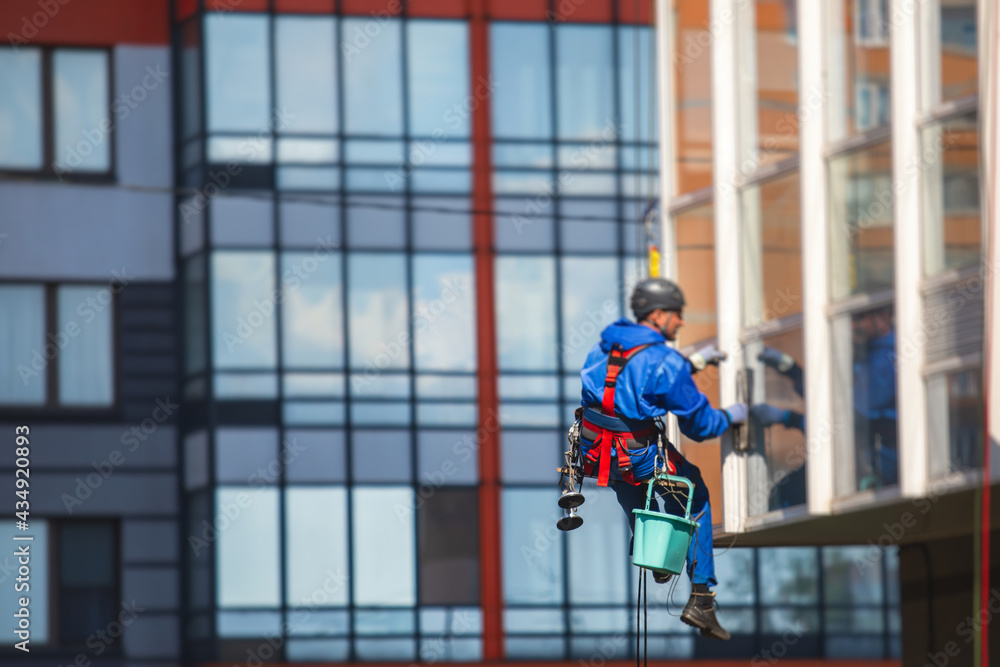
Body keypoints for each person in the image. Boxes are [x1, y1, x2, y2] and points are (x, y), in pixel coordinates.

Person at [578, 277, 747, 641]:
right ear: (657, 315)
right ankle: (702, 598)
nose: (681, 322)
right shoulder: (665, 362)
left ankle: (651, 546)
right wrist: (733, 415)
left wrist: (694, 363)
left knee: (633, 490)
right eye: (677, 314)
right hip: (636, 453)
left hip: (596, 453)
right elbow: (700, 426)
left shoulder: (604, 348)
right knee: (695, 496)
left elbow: (632, 382)